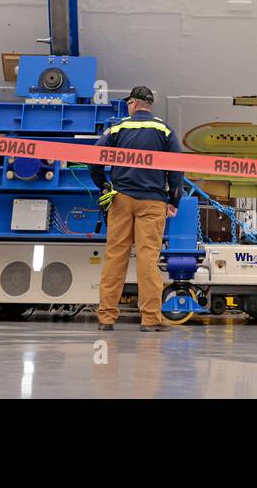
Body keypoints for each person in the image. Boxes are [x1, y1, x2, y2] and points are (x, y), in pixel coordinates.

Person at [89, 86, 185, 332]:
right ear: (149, 105)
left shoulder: (118, 128)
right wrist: (174, 201)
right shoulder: (164, 130)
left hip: (121, 199)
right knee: (147, 258)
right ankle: (150, 318)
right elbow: (177, 168)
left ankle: (106, 318)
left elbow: (95, 160)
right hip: (152, 202)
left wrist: (104, 186)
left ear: (132, 104)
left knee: (115, 257)